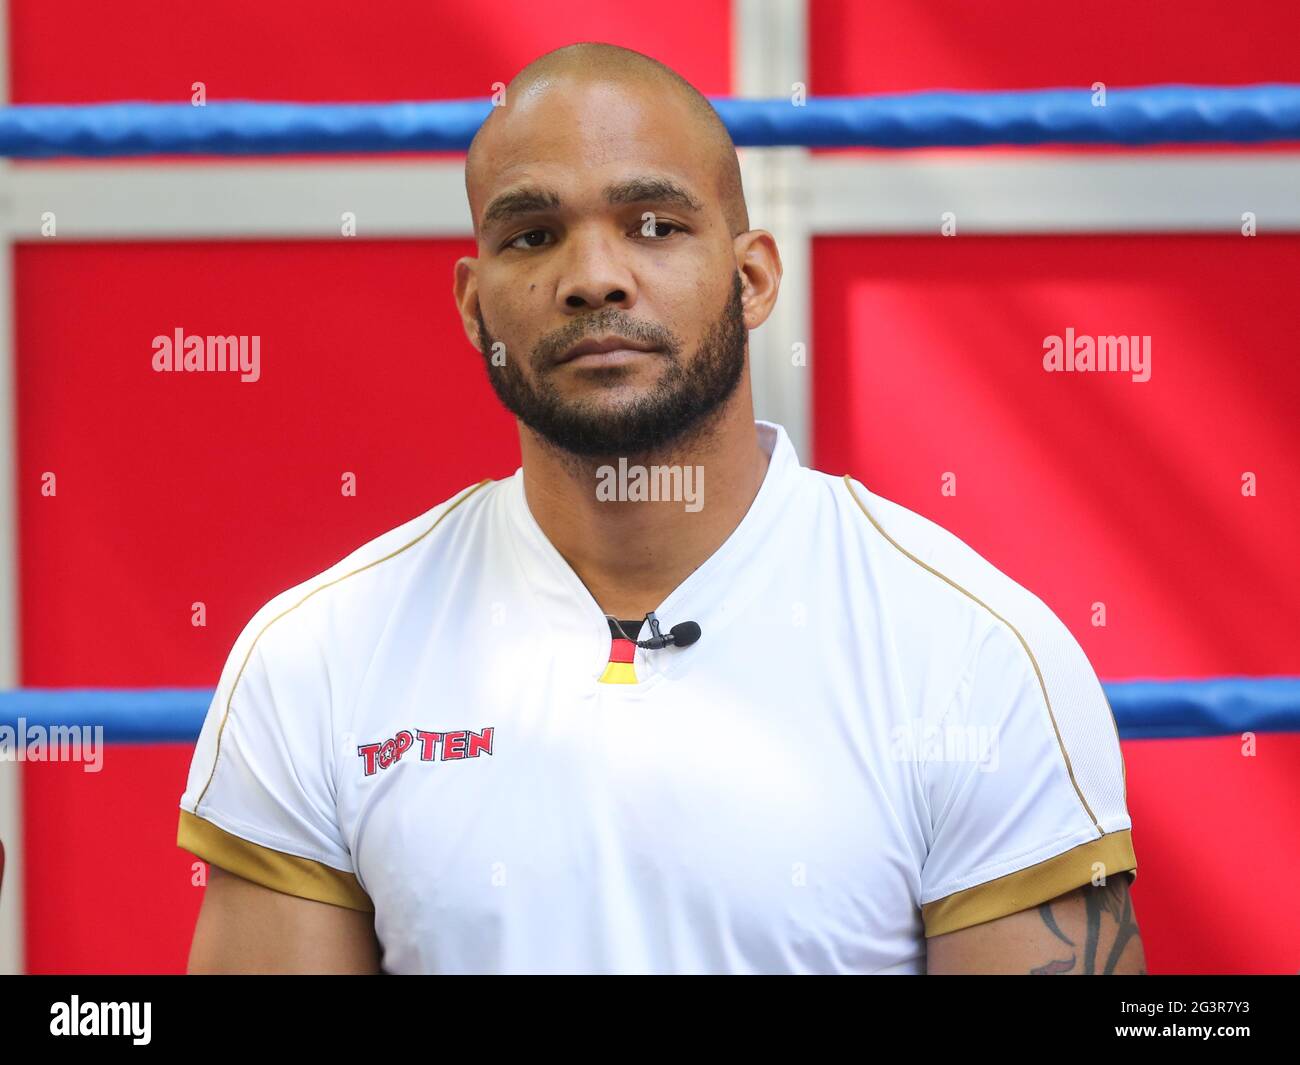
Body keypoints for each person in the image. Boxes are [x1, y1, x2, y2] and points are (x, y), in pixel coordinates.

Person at [179, 42, 1142, 974]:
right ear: (474, 306)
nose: (593, 277)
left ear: (752, 276)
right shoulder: (318, 657)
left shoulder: (973, 653)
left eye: (654, 224)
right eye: (531, 235)